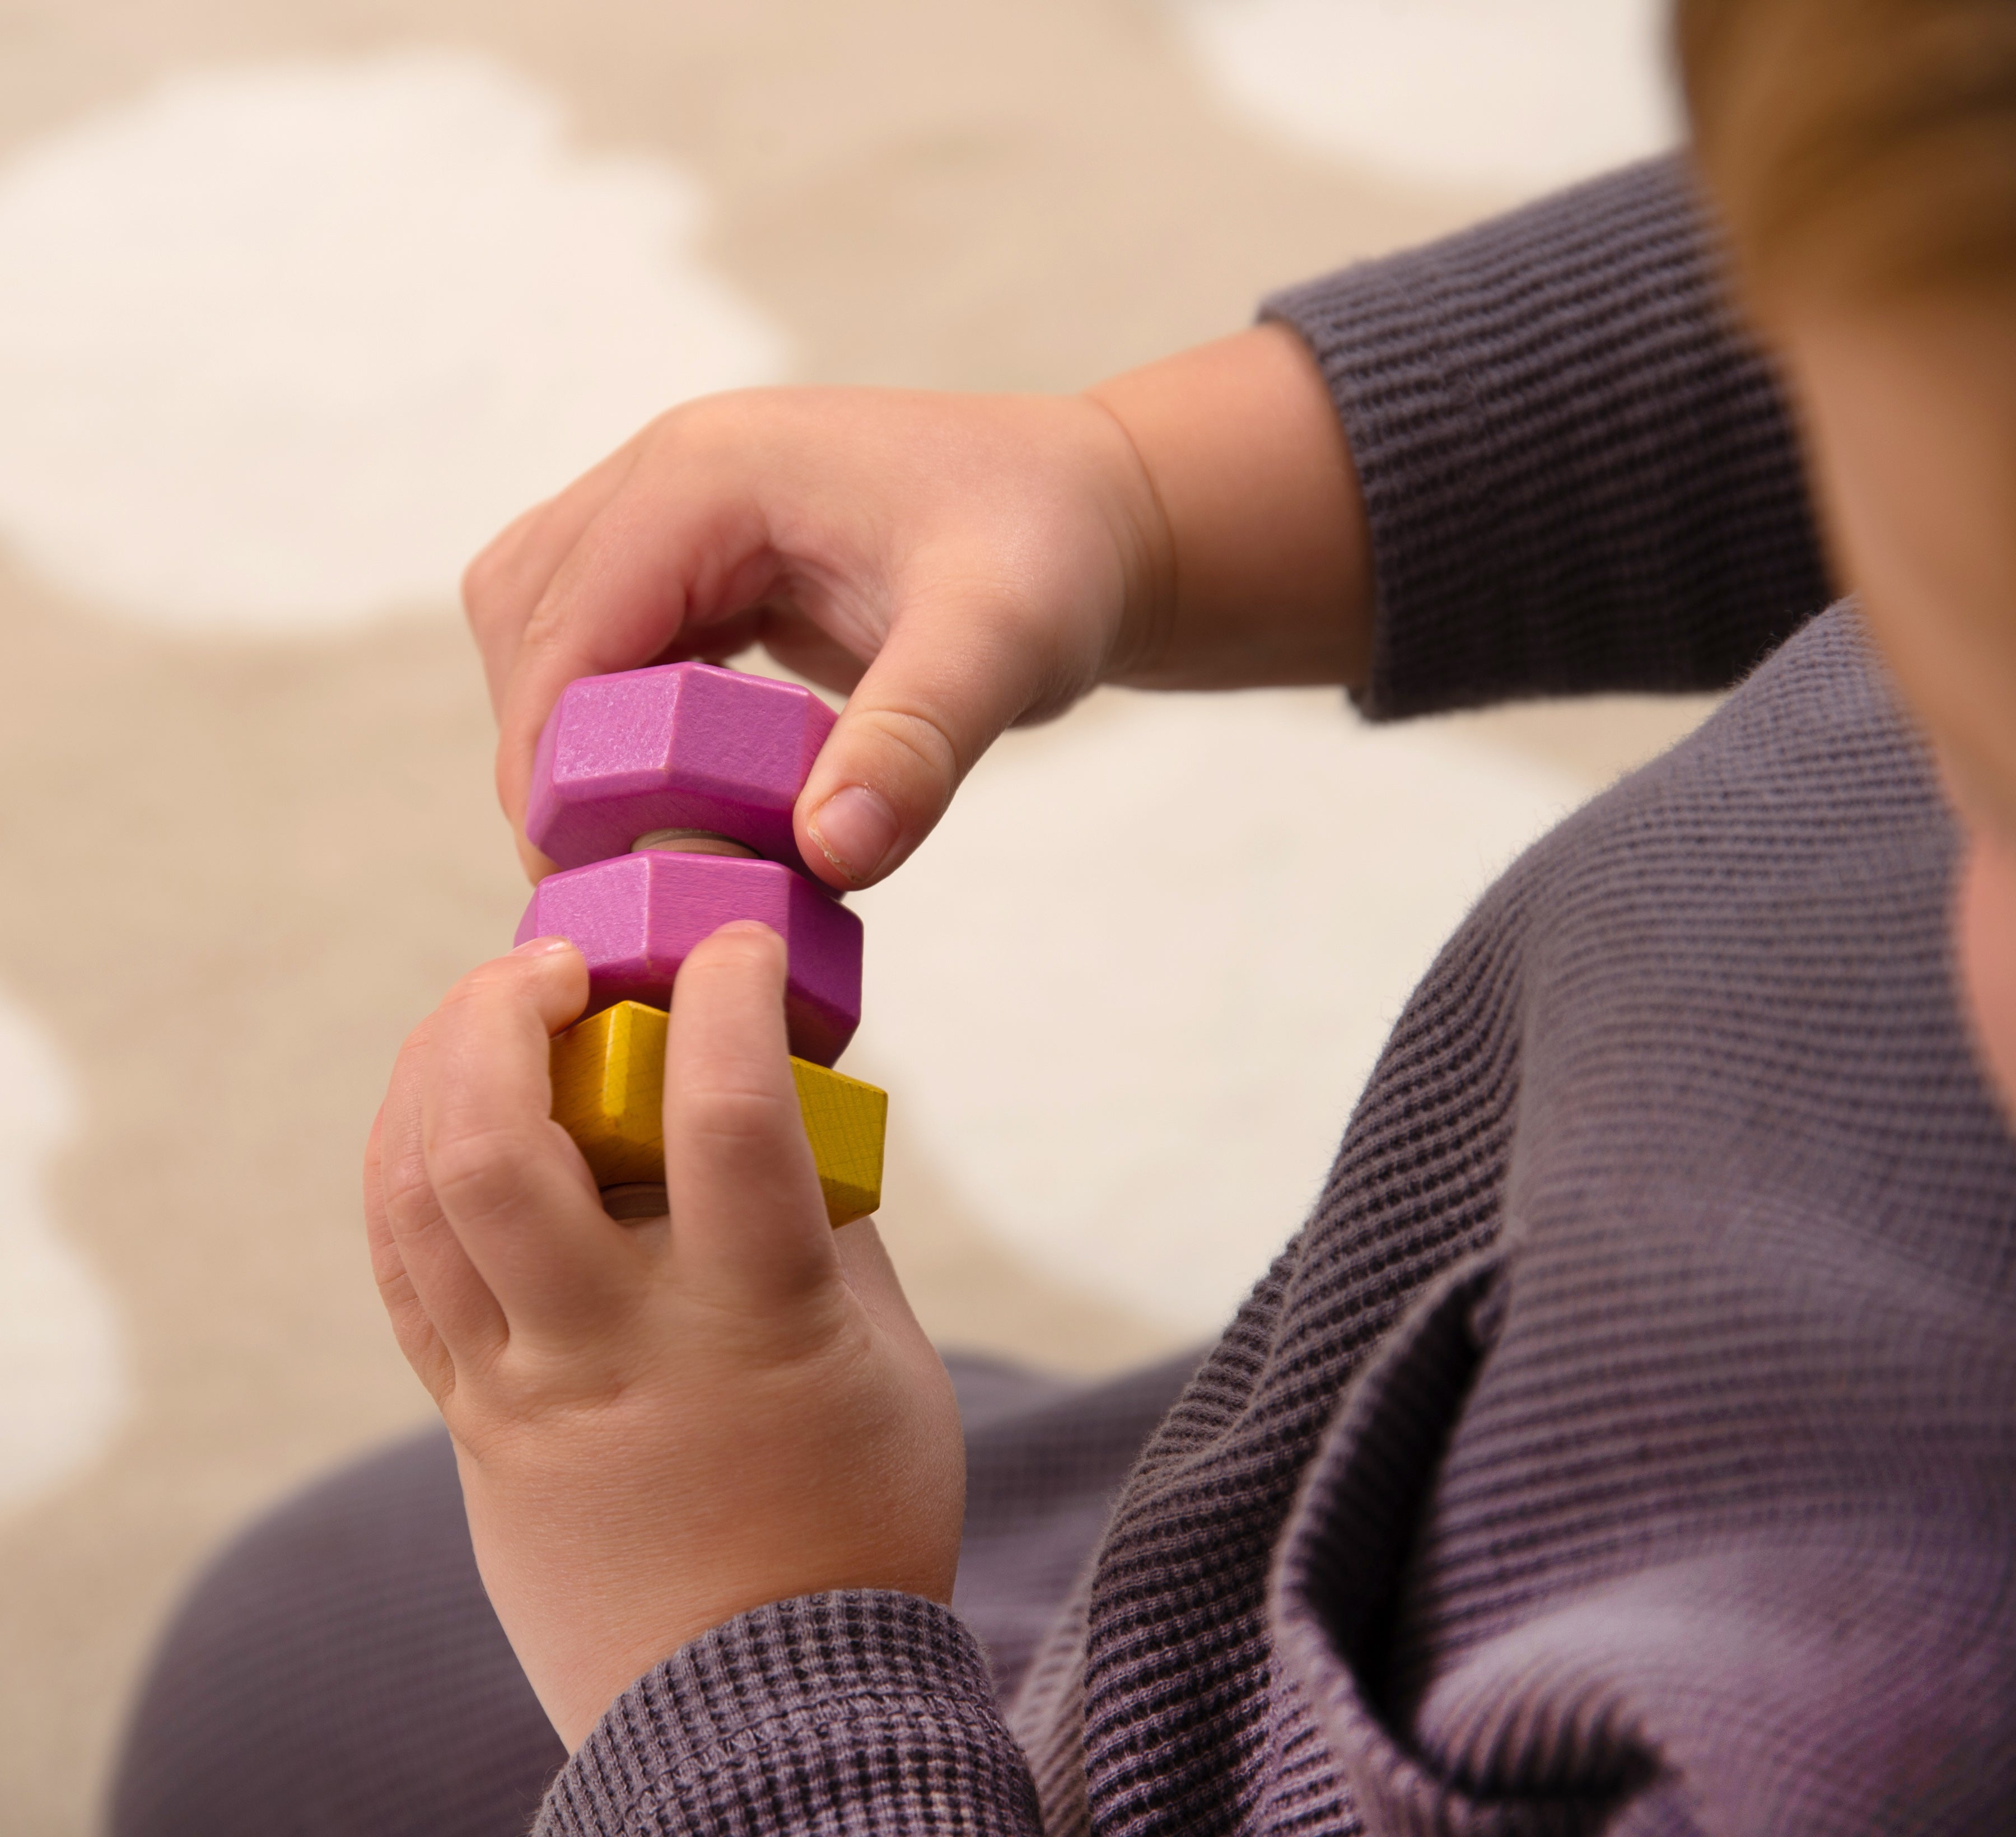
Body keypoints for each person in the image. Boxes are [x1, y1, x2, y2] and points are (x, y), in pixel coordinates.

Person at [111, 1, 2016, 1829]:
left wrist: (743, 1651)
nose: (1938, 839)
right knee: (307, 1649)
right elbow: (1877, 301)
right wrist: (1144, 494)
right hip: (1297, 1481)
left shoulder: (1892, 1737)